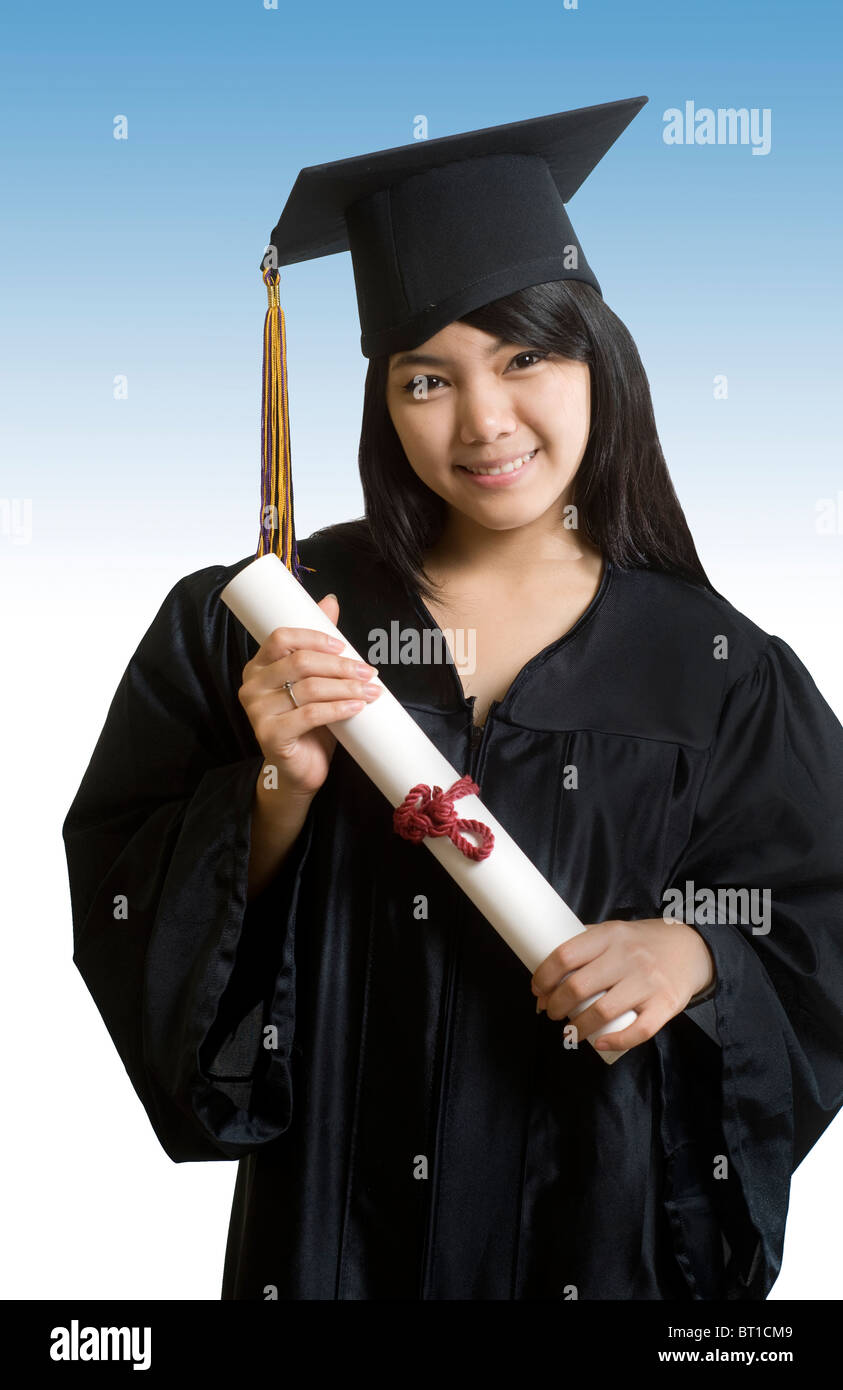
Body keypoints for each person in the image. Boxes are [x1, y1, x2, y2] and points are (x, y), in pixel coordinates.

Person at [63, 99, 843, 1301]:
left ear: (599, 358)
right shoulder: (267, 621)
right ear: (383, 397)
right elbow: (123, 892)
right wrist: (274, 791)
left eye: (526, 356)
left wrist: (698, 953)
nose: (484, 422)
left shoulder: (722, 672)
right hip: (334, 1246)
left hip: (597, 1239)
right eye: (429, 377)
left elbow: (827, 923)